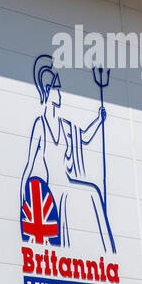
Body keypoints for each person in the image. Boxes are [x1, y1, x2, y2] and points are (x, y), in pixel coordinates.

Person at [20, 55, 113, 252]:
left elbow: (85, 137)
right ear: (47, 92)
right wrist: (22, 199)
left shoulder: (65, 126)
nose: (60, 93)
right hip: (54, 188)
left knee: (93, 191)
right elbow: (29, 165)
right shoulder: (40, 126)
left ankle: (103, 253)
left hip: (68, 181)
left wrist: (99, 120)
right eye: (57, 89)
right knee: (86, 193)